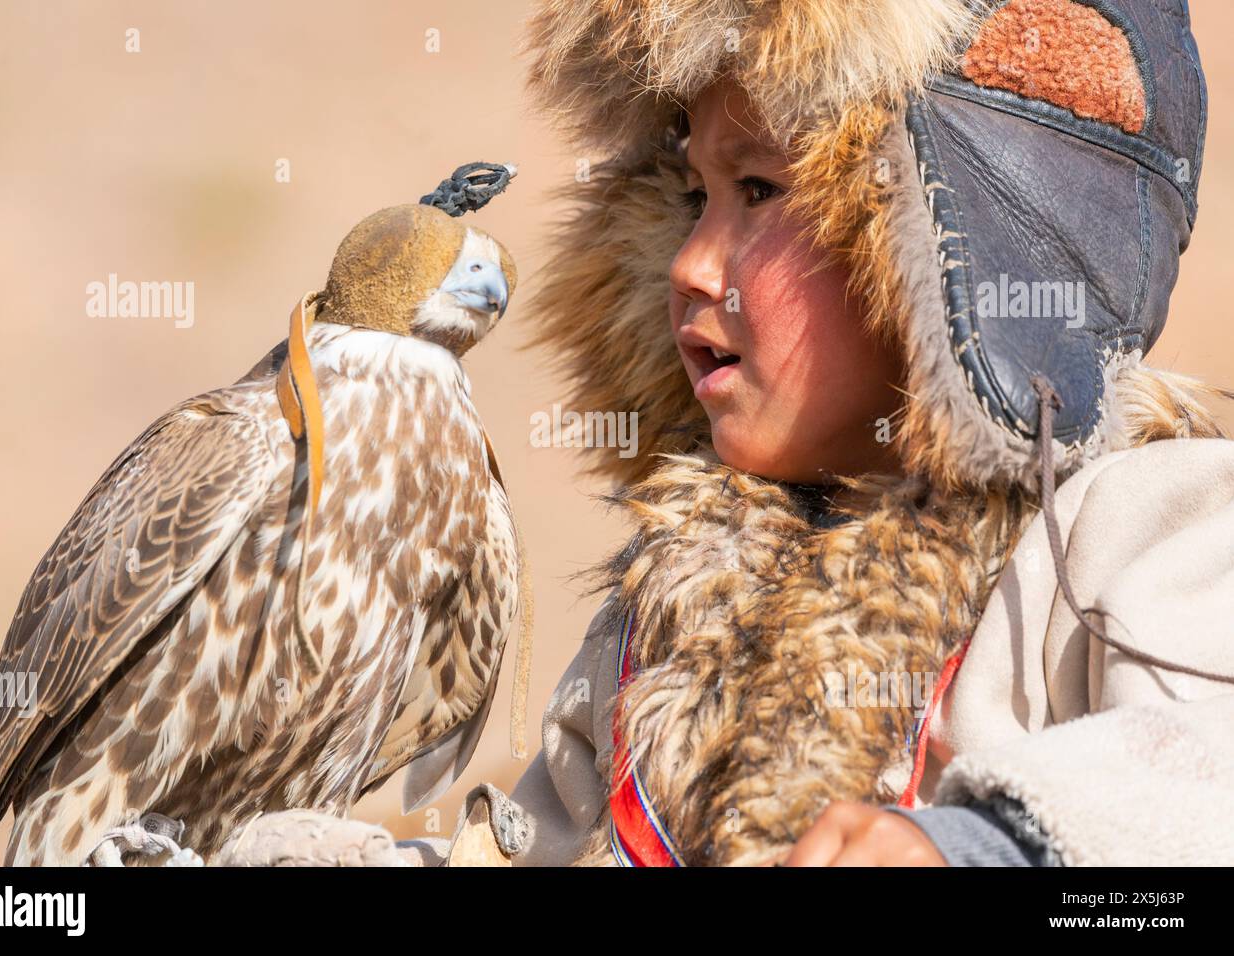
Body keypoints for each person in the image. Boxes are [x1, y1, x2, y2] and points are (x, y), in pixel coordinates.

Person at [256, 0, 1234, 867]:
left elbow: (1201, 779)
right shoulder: (660, 618)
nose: (689, 260)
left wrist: (983, 847)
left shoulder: (1142, 528)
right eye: (690, 197)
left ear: (946, 236)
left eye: (758, 189)